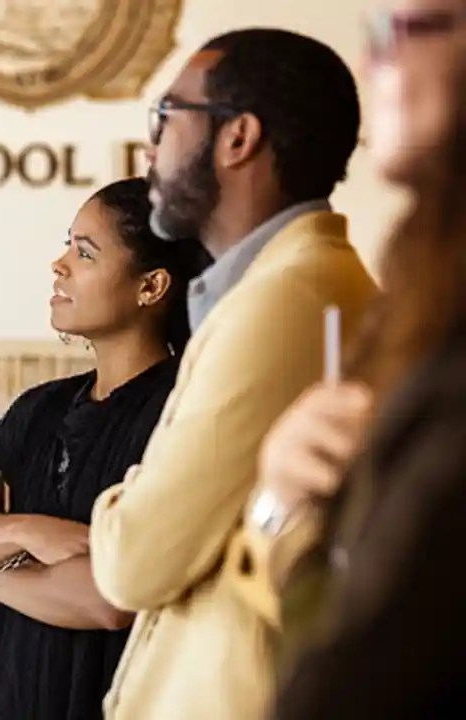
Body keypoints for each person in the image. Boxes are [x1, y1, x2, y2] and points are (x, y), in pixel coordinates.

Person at [85, 29, 379, 720]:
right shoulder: (289, 285)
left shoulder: (288, 298)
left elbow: (134, 563)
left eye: (165, 116)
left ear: (237, 137)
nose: (149, 148)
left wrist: (123, 496)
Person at [224, 2, 466, 716]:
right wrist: (279, 506)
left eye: (403, 32)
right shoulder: (422, 287)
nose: (372, 67)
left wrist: (285, 524)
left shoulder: (297, 287)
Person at [0, 177, 209, 720]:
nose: (59, 264)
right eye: (67, 244)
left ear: (151, 287)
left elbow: (109, 596)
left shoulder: (181, 410)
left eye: (84, 252)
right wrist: (29, 533)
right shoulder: (39, 409)